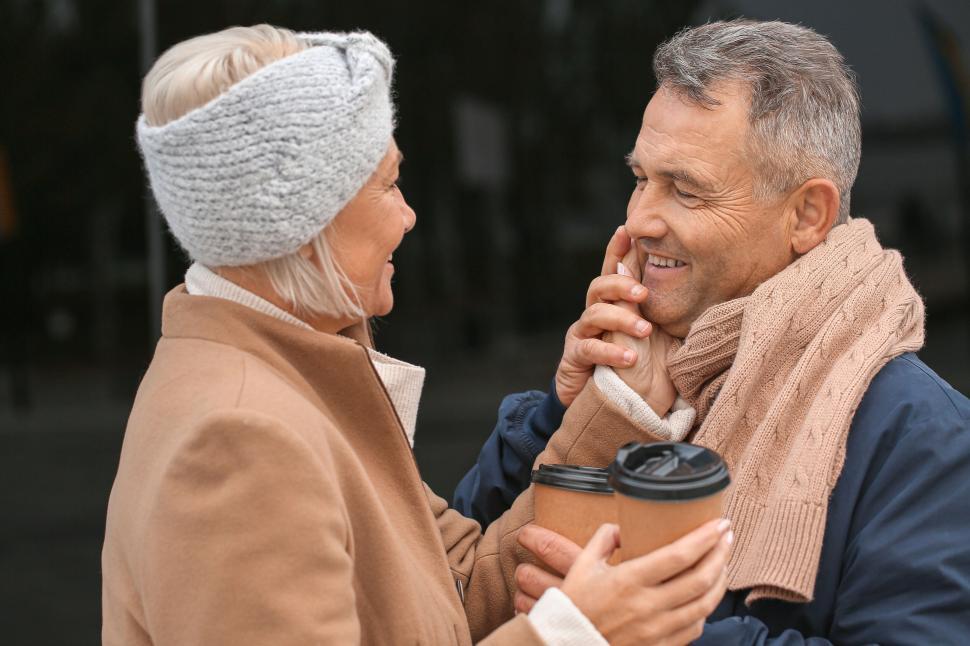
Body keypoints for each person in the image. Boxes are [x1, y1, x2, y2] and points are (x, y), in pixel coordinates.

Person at [101, 25, 732, 645]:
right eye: (388, 183)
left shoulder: (289, 379)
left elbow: (453, 590)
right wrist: (573, 634)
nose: (407, 217)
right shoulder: (240, 438)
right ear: (305, 222)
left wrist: (617, 402)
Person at [467, 20, 970, 644]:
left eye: (685, 190)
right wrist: (571, 412)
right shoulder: (618, 377)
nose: (641, 219)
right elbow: (444, 585)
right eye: (639, 179)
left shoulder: (924, 438)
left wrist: (646, 629)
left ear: (807, 215)